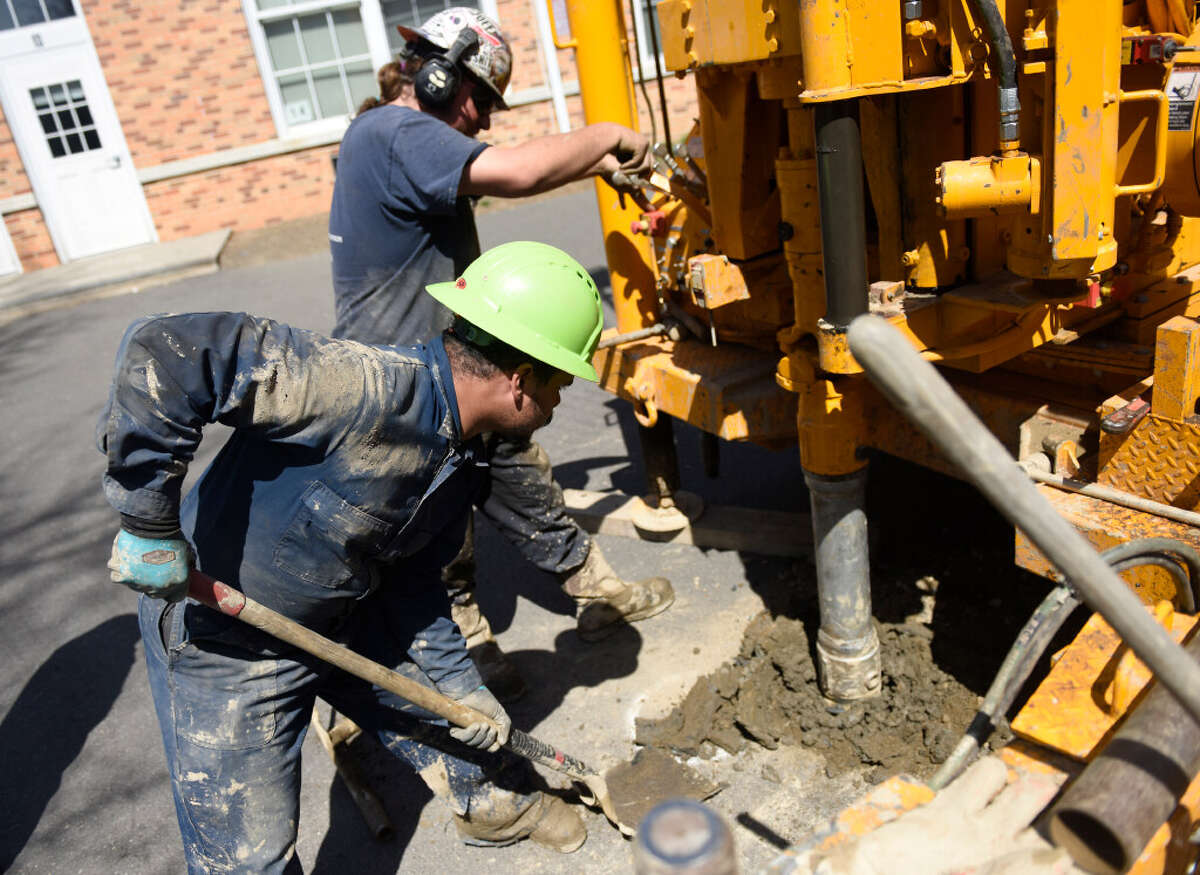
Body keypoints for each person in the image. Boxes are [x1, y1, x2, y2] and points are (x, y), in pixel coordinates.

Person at [99, 243, 606, 872]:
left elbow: (417, 581)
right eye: (559, 384)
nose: (559, 406)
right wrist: (148, 522)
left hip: (346, 615)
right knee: (249, 861)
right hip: (228, 638)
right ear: (520, 379)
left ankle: (492, 805)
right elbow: (168, 352)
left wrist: (461, 684)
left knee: (459, 720)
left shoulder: (467, 457)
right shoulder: (360, 387)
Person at [329, 6, 674, 702]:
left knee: (514, 462)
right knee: (439, 519)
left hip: (446, 354)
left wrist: (598, 164)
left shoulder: (395, 139)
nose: (486, 119)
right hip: (404, 377)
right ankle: (472, 643)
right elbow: (514, 172)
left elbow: (507, 166)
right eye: (481, 99)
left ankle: (591, 585)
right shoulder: (395, 131)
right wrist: (607, 134)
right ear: (434, 76)